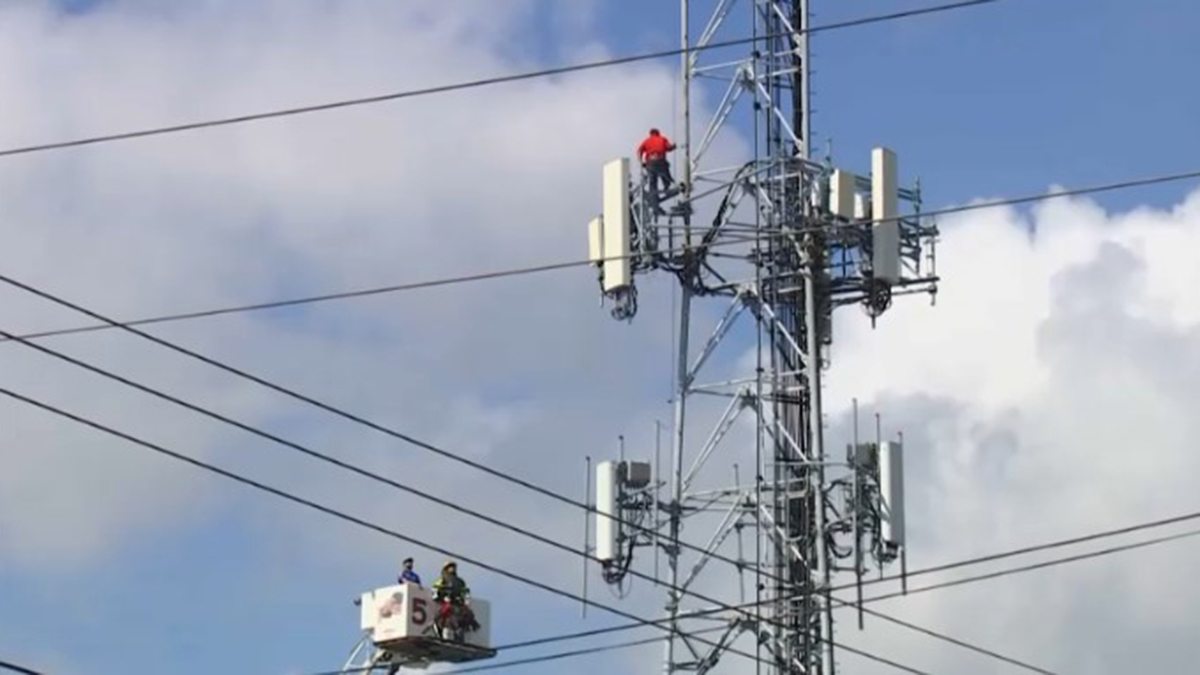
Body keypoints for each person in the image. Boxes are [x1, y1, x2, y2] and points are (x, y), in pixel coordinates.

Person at [432, 561, 478, 637]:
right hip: (447, 602)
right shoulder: (442, 580)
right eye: (450, 567)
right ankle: (438, 629)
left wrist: (465, 600)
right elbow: (435, 589)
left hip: (458, 603)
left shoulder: (460, 581)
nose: (452, 568)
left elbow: (464, 592)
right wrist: (441, 597)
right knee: (442, 613)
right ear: (446, 569)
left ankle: (465, 629)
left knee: (468, 614)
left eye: (453, 567)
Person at [637, 128, 677, 214]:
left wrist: (641, 162)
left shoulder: (647, 141)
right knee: (666, 176)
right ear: (658, 133)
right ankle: (667, 188)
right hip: (660, 161)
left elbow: (639, 150)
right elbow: (669, 147)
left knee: (652, 182)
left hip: (650, 163)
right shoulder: (662, 139)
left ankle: (653, 197)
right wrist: (674, 146)